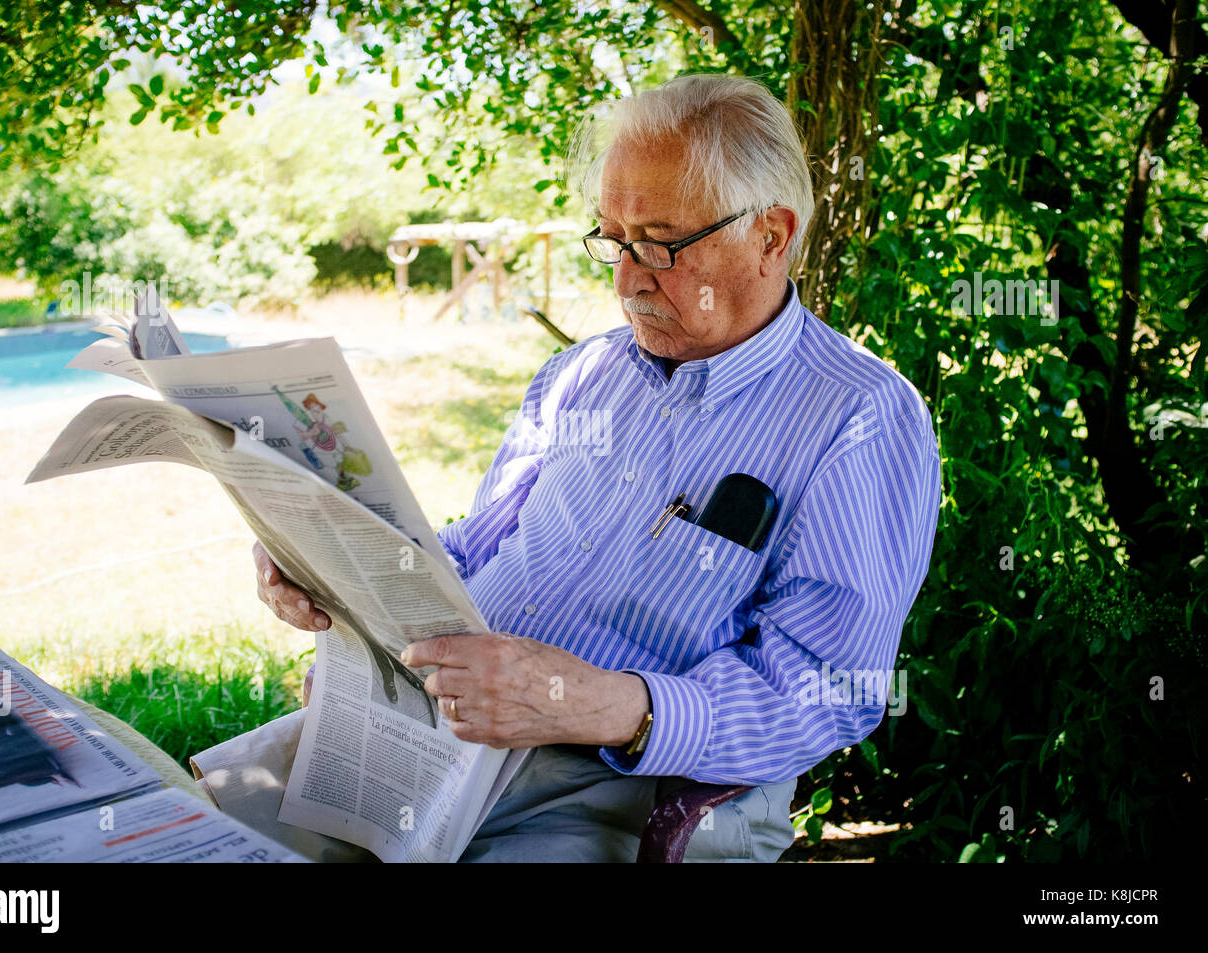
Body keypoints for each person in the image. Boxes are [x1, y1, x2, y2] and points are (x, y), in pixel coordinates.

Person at [254, 72, 942, 862]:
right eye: (613, 239)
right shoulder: (581, 374)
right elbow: (479, 546)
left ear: (771, 235)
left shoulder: (861, 418)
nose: (625, 278)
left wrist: (600, 705)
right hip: (430, 734)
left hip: (625, 786)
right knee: (182, 827)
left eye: (659, 243)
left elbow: (828, 690)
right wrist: (335, 560)